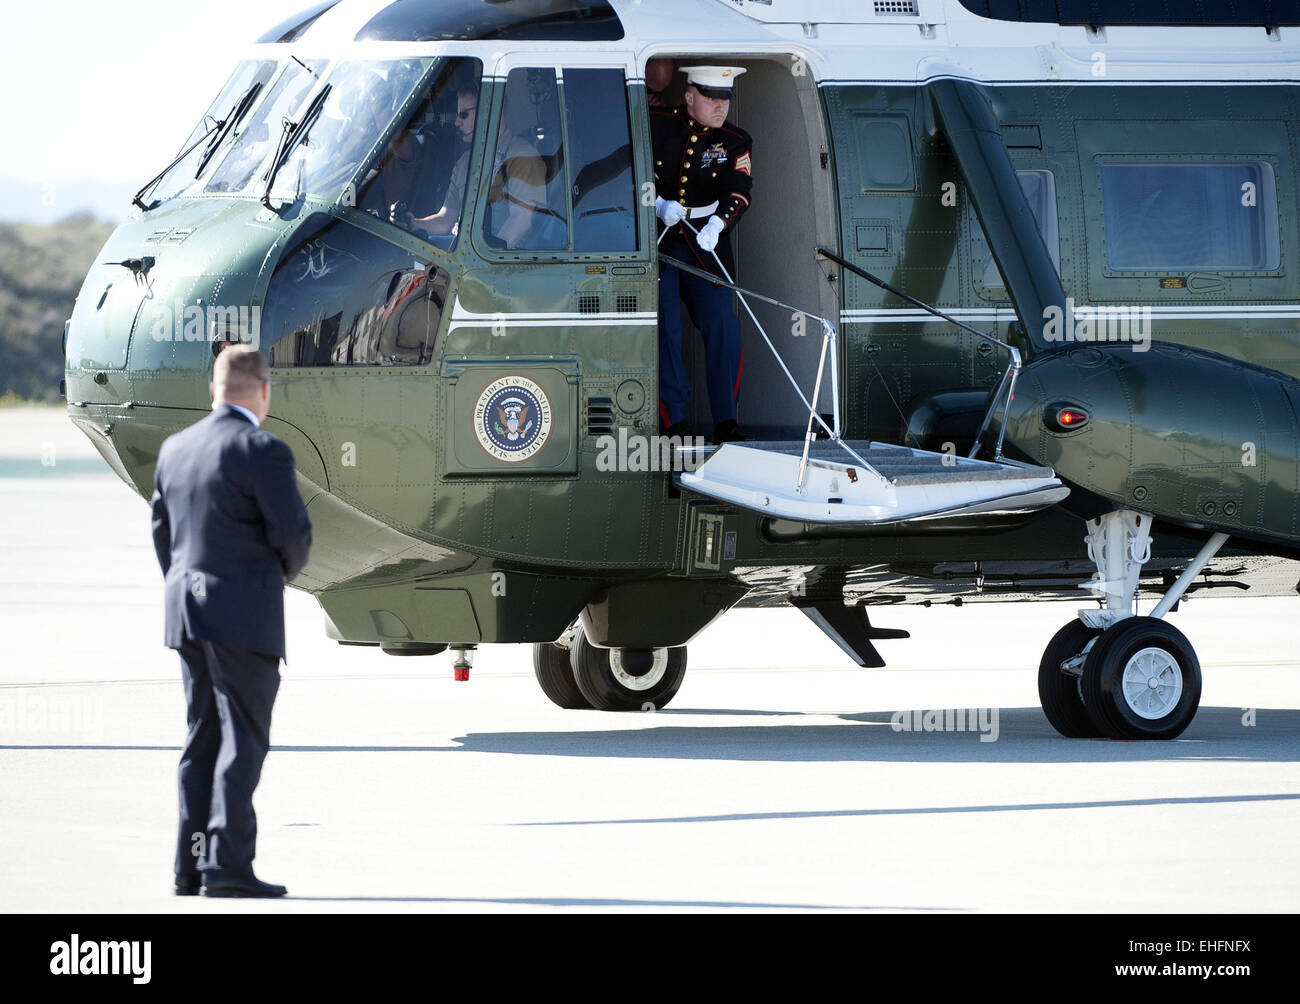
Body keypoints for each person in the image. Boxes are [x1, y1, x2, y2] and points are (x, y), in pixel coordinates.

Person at [150, 345, 313, 898]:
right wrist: (275, 578)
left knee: (202, 738)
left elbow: (162, 534)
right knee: (242, 740)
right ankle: (226, 865)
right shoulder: (262, 450)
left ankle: (189, 864)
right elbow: (293, 537)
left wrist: (187, 584)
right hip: (243, 614)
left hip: (187, 613)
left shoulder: (176, 449)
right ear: (263, 390)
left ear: (214, 390)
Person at [652, 65, 753, 443]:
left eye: (725, 98)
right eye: (711, 97)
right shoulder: (657, 123)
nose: (720, 106)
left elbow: (739, 190)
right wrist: (657, 204)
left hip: (704, 245)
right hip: (661, 240)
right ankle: (674, 420)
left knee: (723, 325)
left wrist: (718, 225)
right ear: (689, 94)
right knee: (666, 329)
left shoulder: (735, 140)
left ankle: (727, 418)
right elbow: (632, 173)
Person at [397, 85, 479, 240]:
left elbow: (521, 222)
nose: (456, 123)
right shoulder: (465, 161)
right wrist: (413, 224)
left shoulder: (519, 156)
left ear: (486, 113)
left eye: (463, 115)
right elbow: (446, 219)